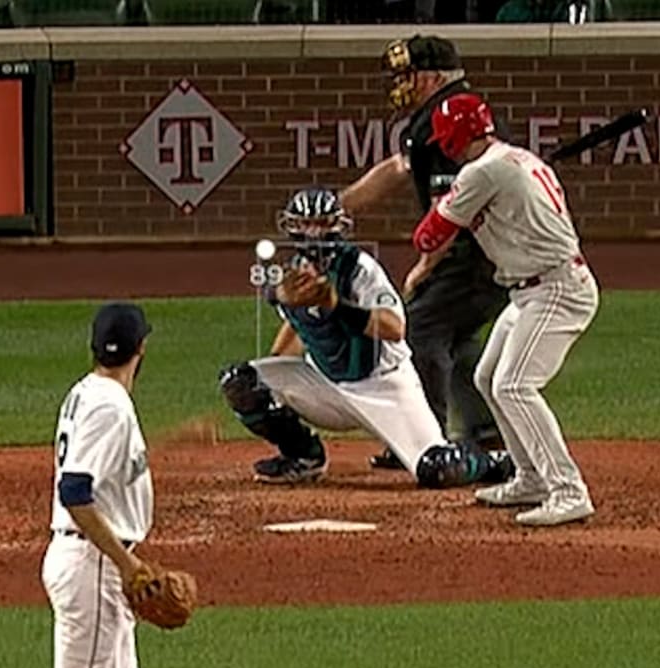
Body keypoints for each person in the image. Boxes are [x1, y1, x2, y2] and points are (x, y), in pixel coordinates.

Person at [11, 303, 182, 668]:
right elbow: (78, 492)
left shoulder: (87, 392)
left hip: (91, 562)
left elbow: (107, 474)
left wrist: (178, 440)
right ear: (143, 349)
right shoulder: (110, 406)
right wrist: (128, 565)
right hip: (94, 566)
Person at [219, 187, 512, 488]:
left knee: (438, 468)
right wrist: (271, 376)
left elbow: (394, 327)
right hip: (326, 385)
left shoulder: (360, 270)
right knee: (241, 381)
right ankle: (303, 458)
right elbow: (299, 326)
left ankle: (496, 461)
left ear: (338, 226)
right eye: (306, 224)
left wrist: (337, 307)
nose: (313, 233)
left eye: (321, 224)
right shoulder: (295, 274)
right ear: (291, 226)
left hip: (384, 386)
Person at [408, 92, 598, 527]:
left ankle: (568, 490)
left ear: (454, 138)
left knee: (514, 385)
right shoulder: (512, 161)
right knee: (489, 378)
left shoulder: (483, 172)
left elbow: (427, 237)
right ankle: (529, 476)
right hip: (528, 290)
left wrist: (448, 202)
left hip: (556, 289)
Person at [339, 34, 508, 472]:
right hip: (484, 253)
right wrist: (341, 204)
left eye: (409, 75)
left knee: (422, 332)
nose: (402, 83)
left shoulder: (447, 119)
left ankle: (424, 442)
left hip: (470, 256)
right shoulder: (440, 113)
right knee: (457, 339)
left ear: (433, 77)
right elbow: (398, 169)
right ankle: (484, 431)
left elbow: (447, 205)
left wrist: (426, 264)